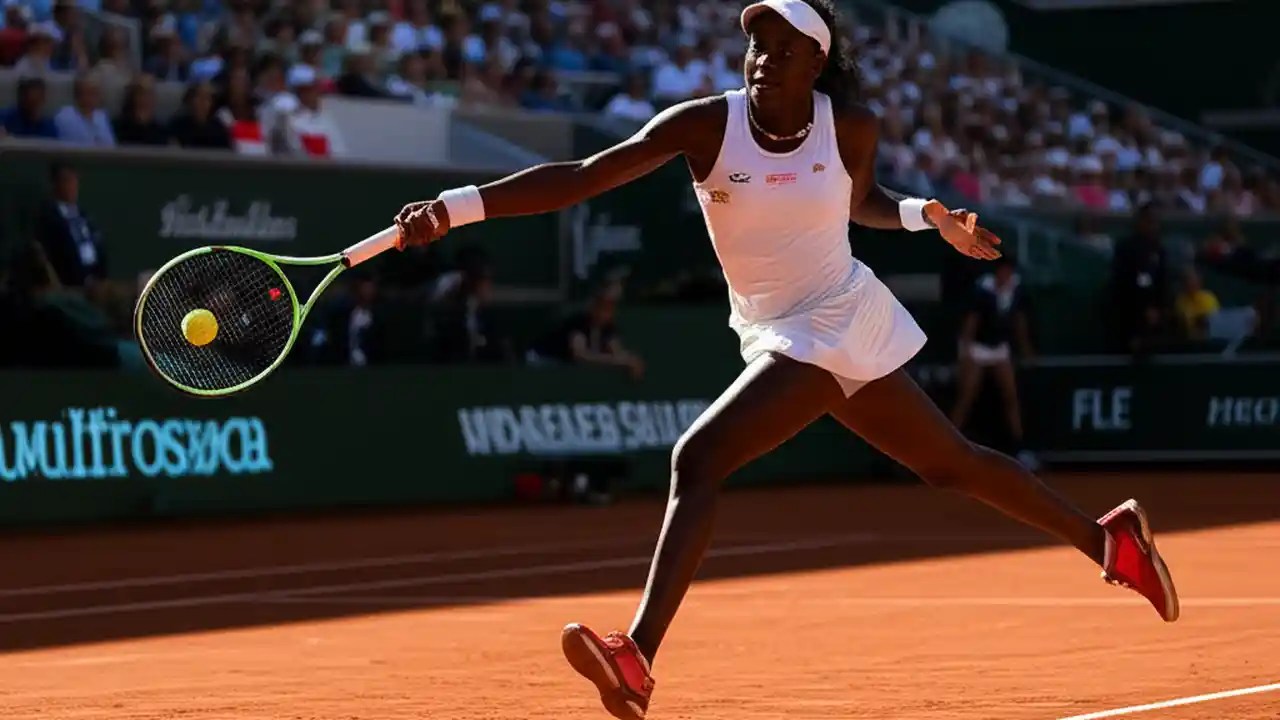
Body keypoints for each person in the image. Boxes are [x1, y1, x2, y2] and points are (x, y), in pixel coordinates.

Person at [392, 0, 1180, 716]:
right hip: (771, 324)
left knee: (698, 458)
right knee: (951, 464)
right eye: (756, 45)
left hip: (836, 311)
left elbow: (859, 201)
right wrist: (457, 210)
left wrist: (924, 217)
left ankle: (635, 658)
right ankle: (1110, 543)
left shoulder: (852, 126)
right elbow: (581, 177)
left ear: (816, 64)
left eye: (784, 47)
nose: (764, 57)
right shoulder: (703, 125)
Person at [950, 254, 1036, 466]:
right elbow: (971, 323)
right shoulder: (982, 291)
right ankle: (948, 447)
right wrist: (966, 353)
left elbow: (1019, 321)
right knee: (966, 397)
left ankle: (1019, 449)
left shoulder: (1016, 290)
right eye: (1002, 271)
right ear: (997, 272)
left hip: (999, 349)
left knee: (1010, 397)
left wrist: (1026, 348)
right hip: (977, 349)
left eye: (1009, 272)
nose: (1005, 275)